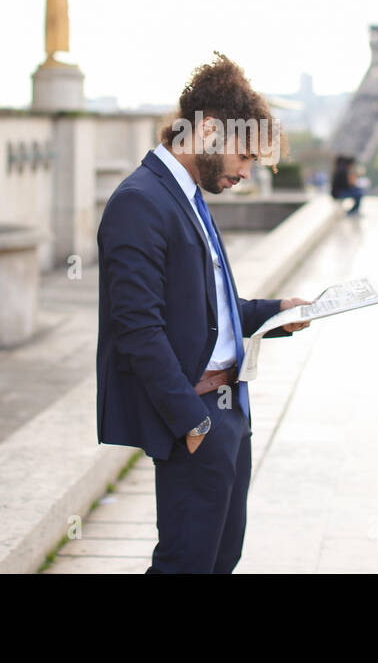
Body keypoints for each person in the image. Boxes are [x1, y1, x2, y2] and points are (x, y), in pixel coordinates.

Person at [96, 53, 313, 574]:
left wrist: (275, 313)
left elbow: (210, 309)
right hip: (196, 416)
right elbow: (137, 329)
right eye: (244, 155)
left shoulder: (184, 195)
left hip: (228, 407)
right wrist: (192, 422)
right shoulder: (141, 201)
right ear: (210, 129)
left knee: (219, 560)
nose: (247, 169)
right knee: (185, 565)